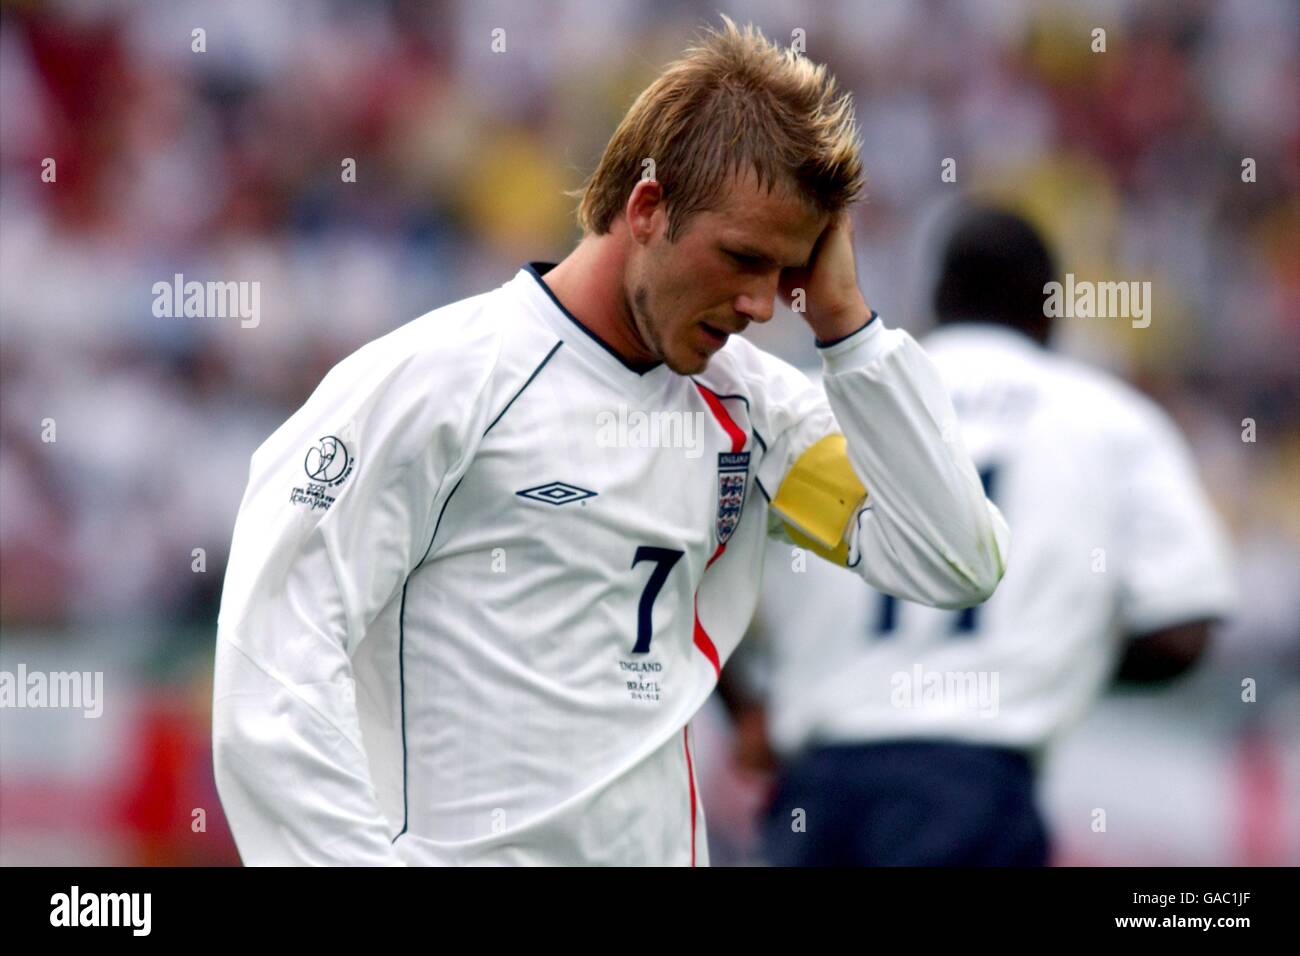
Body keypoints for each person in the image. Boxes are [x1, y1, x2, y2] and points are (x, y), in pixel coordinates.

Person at [211, 19, 1007, 866]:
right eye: (741, 257)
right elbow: (273, 674)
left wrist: (849, 331)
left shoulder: (755, 411)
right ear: (647, 207)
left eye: (786, 273)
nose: (762, 304)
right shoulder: (435, 384)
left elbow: (955, 560)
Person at [728, 206, 1236, 866]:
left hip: (819, 792)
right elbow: (1183, 629)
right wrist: (1059, 650)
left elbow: (693, 554)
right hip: (977, 786)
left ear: (936, 300)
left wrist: (745, 712)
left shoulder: (817, 402)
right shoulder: (1111, 420)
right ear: (1050, 312)